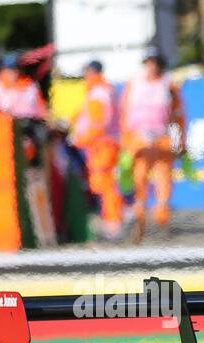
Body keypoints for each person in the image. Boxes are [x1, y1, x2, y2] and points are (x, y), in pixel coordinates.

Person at [121, 46, 185, 243]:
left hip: (162, 139)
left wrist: (180, 142)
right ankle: (139, 221)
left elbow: (178, 117)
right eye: (149, 62)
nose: (152, 66)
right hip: (139, 141)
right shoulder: (134, 84)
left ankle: (162, 221)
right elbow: (125, 115)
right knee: (139, 181)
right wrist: (125, 144)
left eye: (155, 62)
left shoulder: (170, 85)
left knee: (164, 182)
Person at [70, 60, 123, 240]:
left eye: (87, 72)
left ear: (93, 72)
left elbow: (98, 124)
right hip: (101, 144)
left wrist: (79, 139)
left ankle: (113, 222)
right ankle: (111, 219)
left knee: (104, 183)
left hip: (102, 144)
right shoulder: (100, 91)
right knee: (102, 183)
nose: (85, 76)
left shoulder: (99, 93)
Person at [0, 53, 47, 121]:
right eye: (11, 69)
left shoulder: (30, 86)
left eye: (17, 68)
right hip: (5, 125)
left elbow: (42, 109)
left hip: (29, 125)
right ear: (4, 70)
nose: (16, 72)